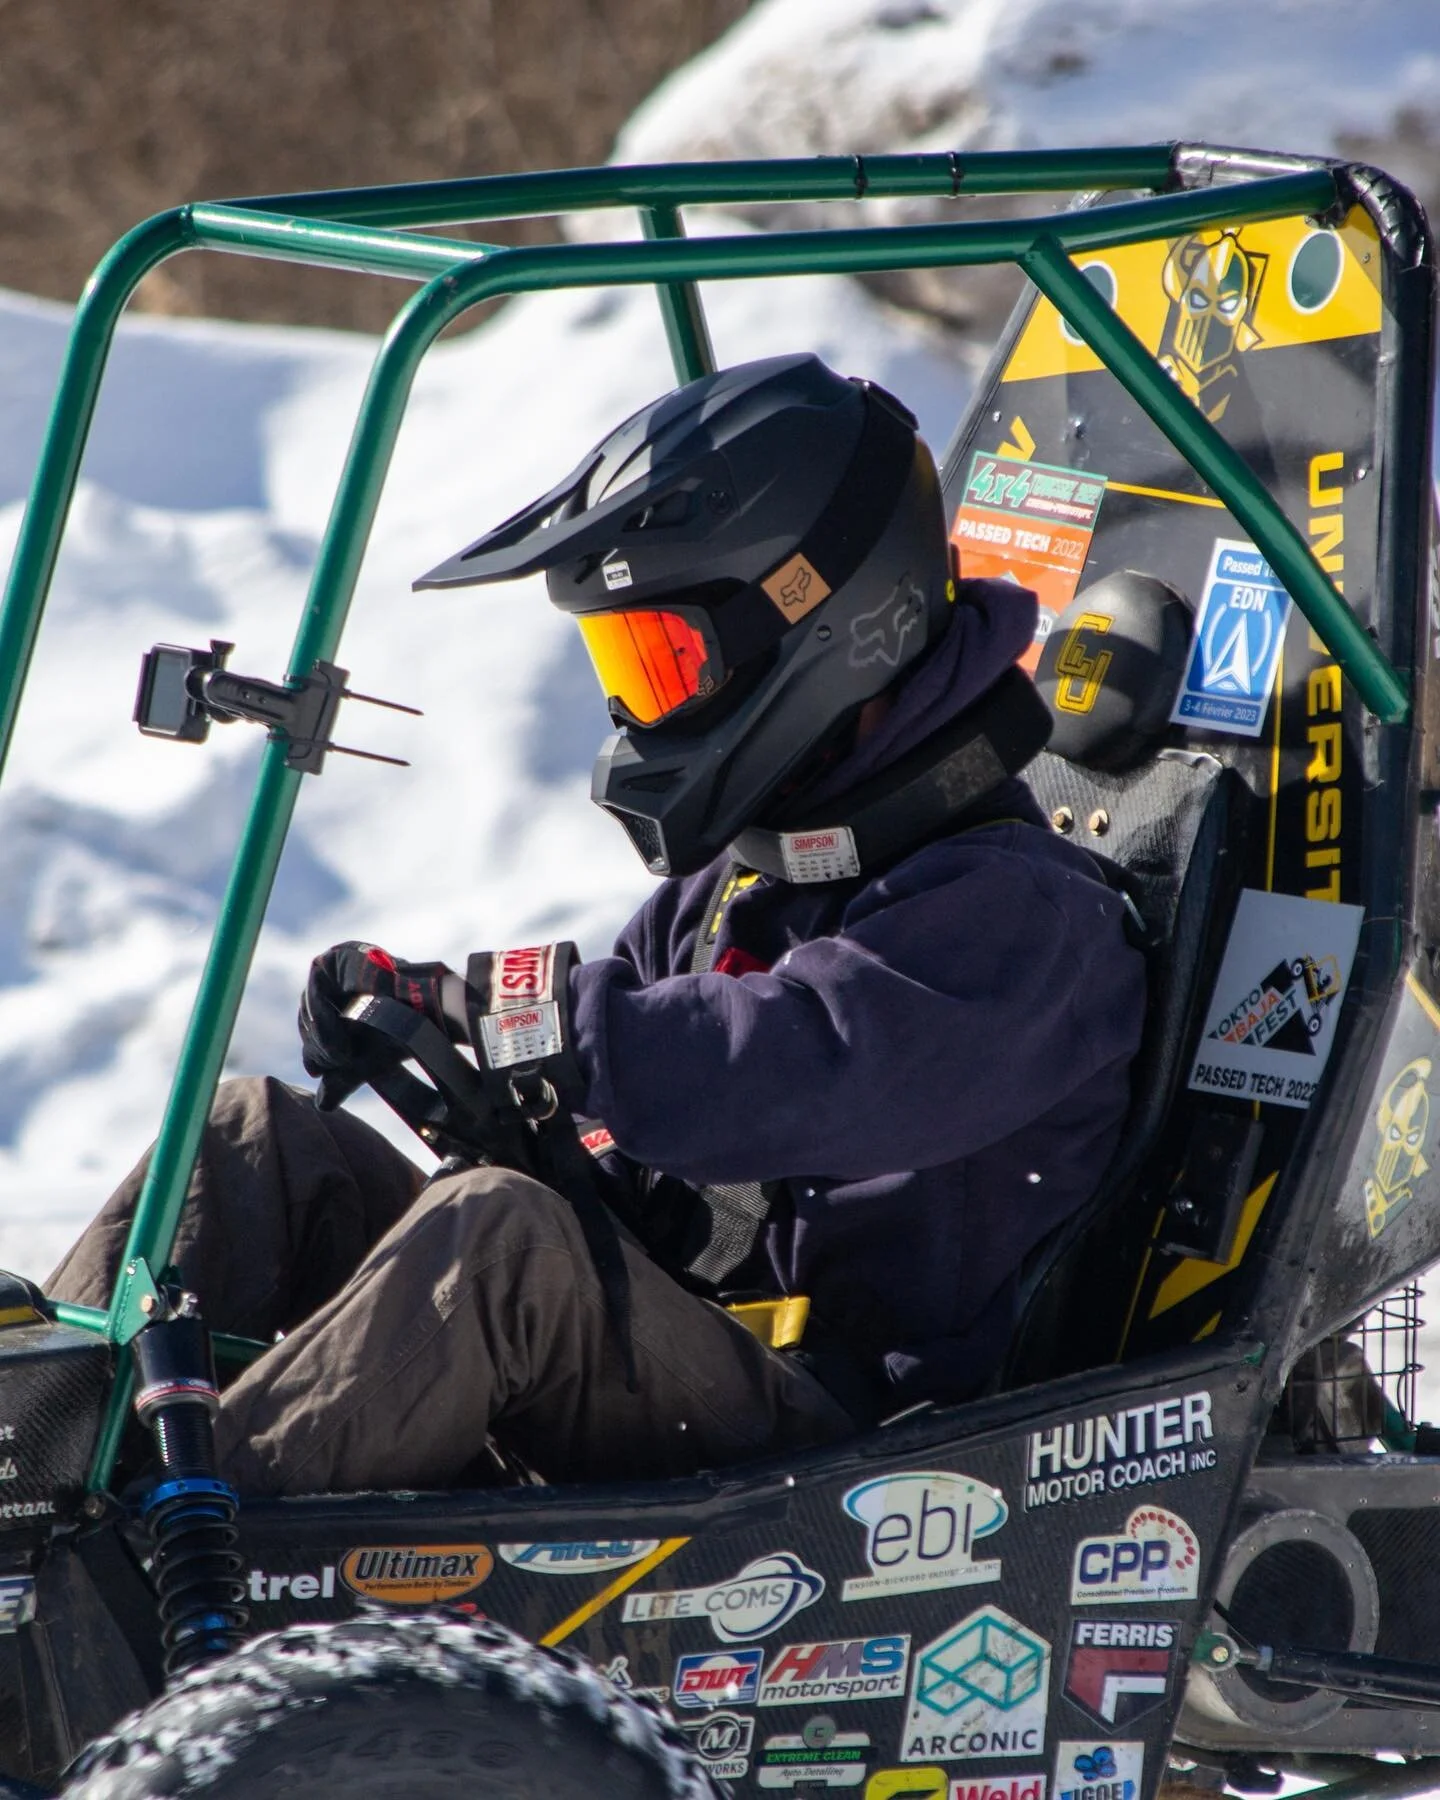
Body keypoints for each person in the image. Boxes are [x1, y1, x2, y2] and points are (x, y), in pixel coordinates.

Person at [48, 354, 1146, 1497]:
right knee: (254, 1140)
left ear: (835, 624)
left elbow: (794, 1063)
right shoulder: (742, 886)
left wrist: (536, 1028)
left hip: (859, 1455)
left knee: (502, 1246)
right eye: (624, 668)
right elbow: (627, 1105)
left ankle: (132, 1582)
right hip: (694, 1356)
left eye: (666, 660)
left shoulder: (1025, 919)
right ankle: (30, 1475)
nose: (641, 712)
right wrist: (469, 1069)